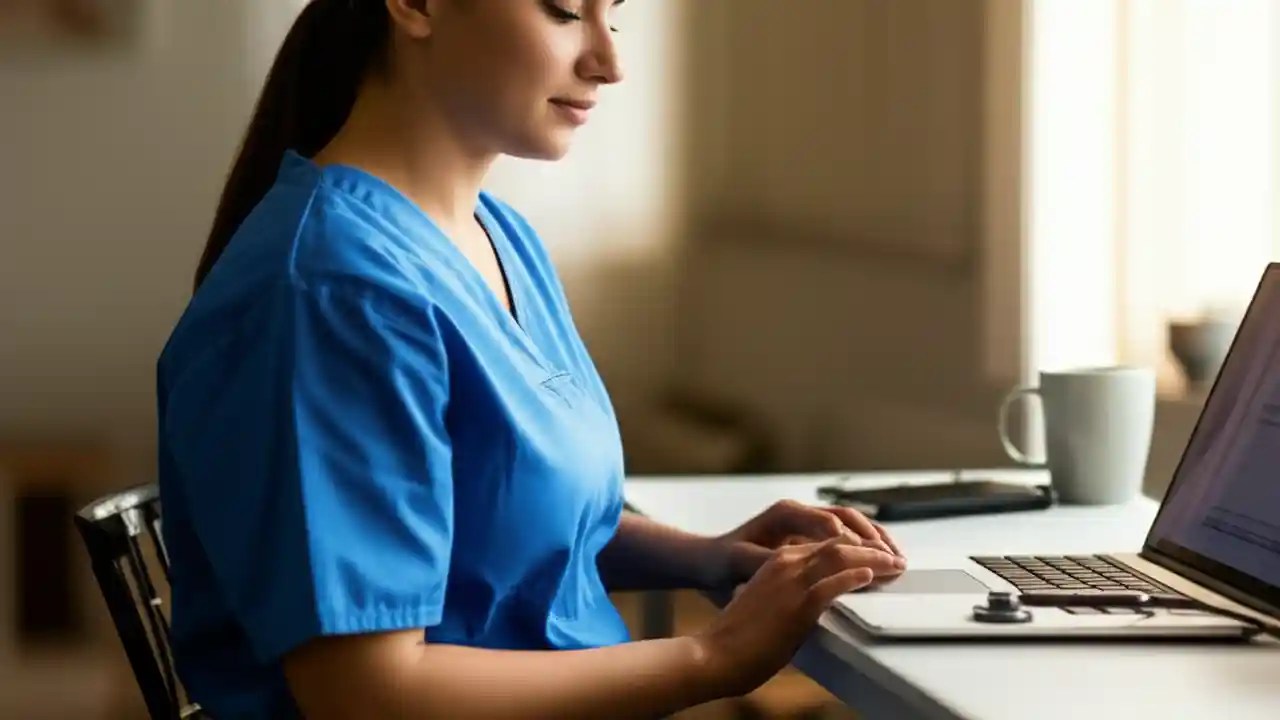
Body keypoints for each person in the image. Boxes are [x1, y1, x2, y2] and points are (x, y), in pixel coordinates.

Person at [156, 1, 908, 718]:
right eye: (560, 10)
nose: (609, 60)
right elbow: (365, 697)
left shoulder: (496, 236)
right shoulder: (333, 292)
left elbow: (498, 521)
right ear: (415, 4)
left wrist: (709, 557)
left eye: (612, 14)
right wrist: (713, 657)